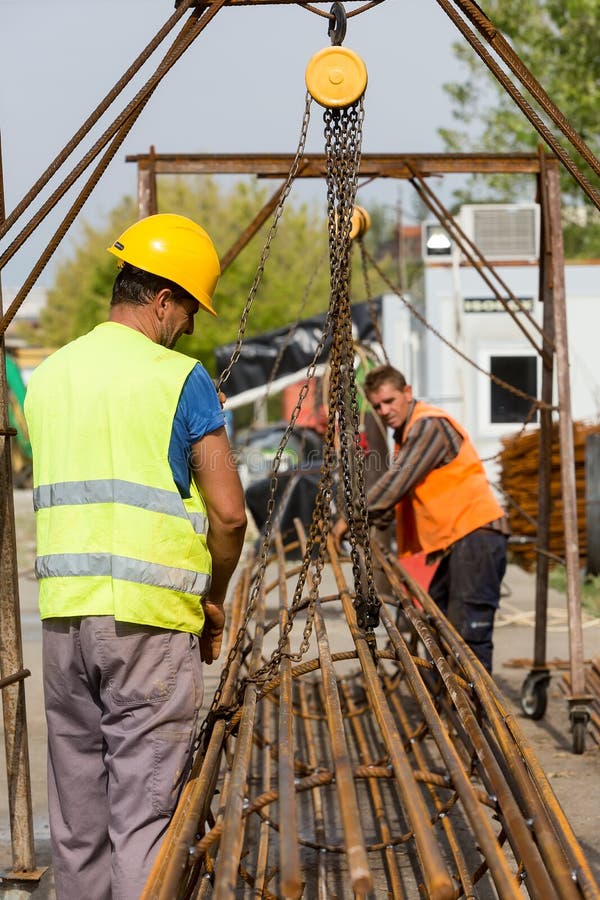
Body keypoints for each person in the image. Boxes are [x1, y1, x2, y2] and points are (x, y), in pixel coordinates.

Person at [24, 213, 247, 899]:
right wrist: (214, 594)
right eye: (188, 313)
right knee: (145, 815)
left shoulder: (50, 377)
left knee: (79, 816)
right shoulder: (182, 380)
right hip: (149, 625)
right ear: (163, 299)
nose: (188, 329)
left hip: (64, 622)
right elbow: (230, 512)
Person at [332, 364, 508, 673]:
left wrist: (351, 517)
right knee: (437, 623)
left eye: (389, 401)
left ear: (407, 393)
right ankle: (452, 703)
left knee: (468, 635)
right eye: (377, 406)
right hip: (460, 543)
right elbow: (396, 500)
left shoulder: (429, 427)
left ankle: (476, 713)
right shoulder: (409, 433)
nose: (384, 411)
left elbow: (397, 482)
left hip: (477, 537)